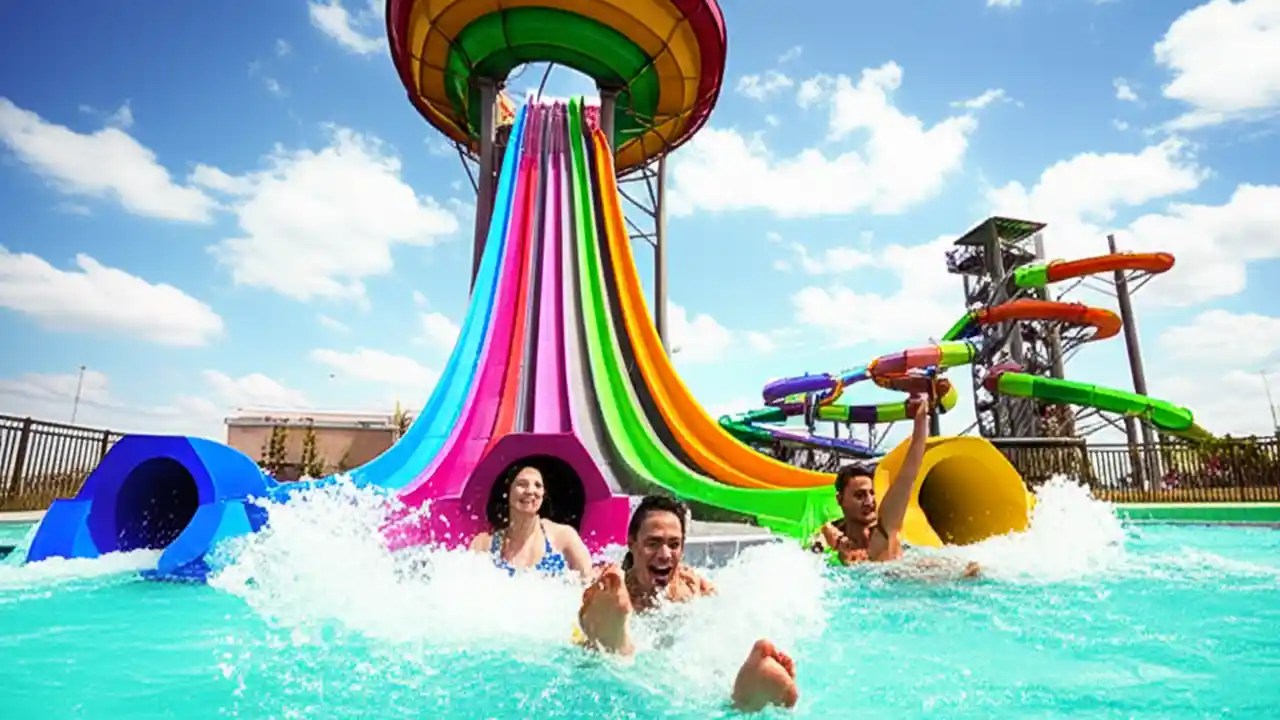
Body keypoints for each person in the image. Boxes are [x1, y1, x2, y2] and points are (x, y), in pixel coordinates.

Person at [577, 495, 799, 713]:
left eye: (674, 545)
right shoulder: (609, 588)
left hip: (674, 676)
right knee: (609, 656)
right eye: (653, 543)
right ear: (632, 542)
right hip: (625, 666)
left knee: (714, 675)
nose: (665, 555)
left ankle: (749, 690)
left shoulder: (693, 586)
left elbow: (725, 626)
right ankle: (612, 637)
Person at [812, 393, 980, 577]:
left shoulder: (884, 531)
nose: (869, 501)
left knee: (952, 567)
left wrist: (921, 417)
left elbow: (908, 475)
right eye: (859, 495)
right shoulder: (837, 537)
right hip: (880, 585)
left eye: (872, 493)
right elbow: (822, 534)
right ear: (840, 499)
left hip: (910, 581)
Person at [469, 464, 592, 577]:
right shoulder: (484, 545)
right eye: (522, 484)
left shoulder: (563, 537)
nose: (530, 491)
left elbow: (588, 581)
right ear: (508, 491)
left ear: (543, 495)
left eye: (537, 485)